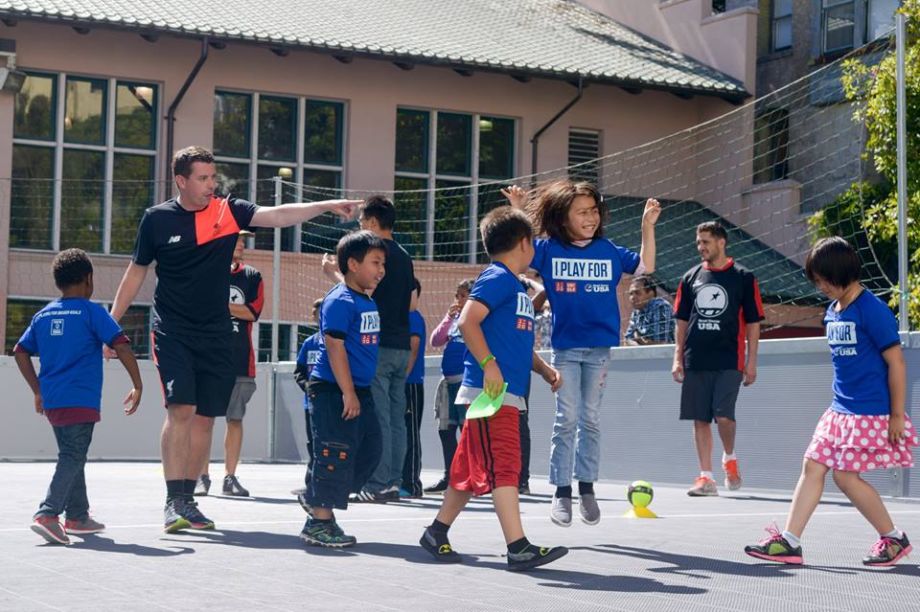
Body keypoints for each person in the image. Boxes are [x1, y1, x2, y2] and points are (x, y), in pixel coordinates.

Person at [108, 146, 359, 533]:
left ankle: (188, 500)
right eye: (203, 178)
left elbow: (278, 215)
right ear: (181, 181)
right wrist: (111, 326)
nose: (211, 185)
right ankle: (173, 501)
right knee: (181, 410)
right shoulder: (156, 220)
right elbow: (136, 272)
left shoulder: (228, 211)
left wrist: (326, 205)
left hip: (217, 334)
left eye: (213, 177)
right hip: (173, 331)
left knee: (205, 418)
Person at [744, 237, 916, 566]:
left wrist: (896, 414)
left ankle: (893, 538)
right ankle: (790, 542)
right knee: (812, 465)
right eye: (817, 281)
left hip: (868, 411)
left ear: (842, 273)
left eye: (825, 280)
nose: (821, 287)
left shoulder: (872, 310)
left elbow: (896, 362)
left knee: (845, 477)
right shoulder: (833, 311)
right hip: (839, 410)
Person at [419, 206, 567, 571]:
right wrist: (489, 364)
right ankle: (518, 547)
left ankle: (436, 532)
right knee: (505, 465)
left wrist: (544, 370)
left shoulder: (515, 287)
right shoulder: (497, 277)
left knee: (468, 471)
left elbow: (515, 343)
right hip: (491, 395)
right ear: (524, 243)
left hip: (505, 392)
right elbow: (467, 322)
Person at [503, 181, 660, 527]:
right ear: (563, 217)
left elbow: (646, 266)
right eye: (582, 212)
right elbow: (519, 249)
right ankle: (562, 492)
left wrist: (647, 226)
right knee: (566, 419)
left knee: (590, 419)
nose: (590, 218)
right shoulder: (549, 250)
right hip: (566, 350)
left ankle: (586, 488)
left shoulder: (608, 250)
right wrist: (518, 208)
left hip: (600, 350)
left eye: (594, 211)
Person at [13, 249, 143, 545]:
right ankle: (48, 513)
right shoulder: (92, 311)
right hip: (81, 399)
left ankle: (77, 516)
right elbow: (122, 345)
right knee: (73, 455)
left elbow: (20, 352)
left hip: (53, 400)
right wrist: (138, 384)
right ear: (89, 279)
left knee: (73, 453)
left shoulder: (43, 314)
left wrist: (37, 390)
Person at [322, 196, 415, 502]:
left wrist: (333, 275)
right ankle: (393, 480)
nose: (379, 268)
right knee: (396, 419)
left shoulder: (374, 254)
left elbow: (359, 292)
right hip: (402, 345)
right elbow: (412, 303)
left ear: (373, 222)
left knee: (379, 419)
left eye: (362, 221)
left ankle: (377, 482)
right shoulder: (404, 256)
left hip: (377, 346)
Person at [301, 230, 386, 547]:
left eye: (383, 264)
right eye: (375, 262)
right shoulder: (339, 300)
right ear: (353, 264)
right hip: (332, 390)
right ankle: (319, 522)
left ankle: (317, 495)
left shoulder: (361, 296)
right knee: (334, 453)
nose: (381, 270)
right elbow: (335, 347)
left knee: (371, 449)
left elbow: (346, 283)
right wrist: (347, 393)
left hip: (359, 389)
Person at [672, 221, 764, 496]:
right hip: (696, 358)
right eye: (698, 242)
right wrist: (677, 357)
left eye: (706, 242)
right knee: (700, 419)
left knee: (723, 417)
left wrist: (751, 361)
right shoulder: (690, 277)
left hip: (730, 359)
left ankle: (729, 457)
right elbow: (681, 321)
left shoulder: (743, 277)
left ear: (721, 242)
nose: (701, 247)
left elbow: (753, 323)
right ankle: (706, 477)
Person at [196, 230, 264, 497]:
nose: (241, 245)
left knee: (234, 419)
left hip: (239, 360)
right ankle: (201, 476)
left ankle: (230, 477)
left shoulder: (252, 276)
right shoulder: (205, 273)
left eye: (243, 241)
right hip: (208, 359)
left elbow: (251, 312)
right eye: (236, 240)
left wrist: (216, 304)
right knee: (204, 420)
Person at [425, 278, 474, 494]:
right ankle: (450, 476)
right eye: (457, 296)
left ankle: (470, 477)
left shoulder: (477, 319)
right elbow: (436, 340)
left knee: (467, 431)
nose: (459, 300)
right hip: (448, 382)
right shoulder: (454, 320)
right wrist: (448, 317)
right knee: (445, 430)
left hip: (466, 382)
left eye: (463, 296)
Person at [293, 297, 324, 504]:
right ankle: (310, 483)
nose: (320, 318)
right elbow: (299, 371)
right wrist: (307, 386)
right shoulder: (309, 343)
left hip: (331, 402)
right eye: (317, 315)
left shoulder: (337, 341)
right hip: (311, 403)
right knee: (312, 443)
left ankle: (329, 484)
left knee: (329, 444)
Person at [401, 279, 426, 498]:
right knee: (400, 432)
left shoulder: (413, 317)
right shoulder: (400, 316)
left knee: (410, 433)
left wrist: (403, 377)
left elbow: (414, 347)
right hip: (400, 384)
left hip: (411, 384)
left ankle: (411, 483)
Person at [624, 274, 675, 345]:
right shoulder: (637, 311)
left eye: (637, 293)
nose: (632, 297)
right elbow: (627, 340)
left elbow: (660, 345)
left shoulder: (660, 306)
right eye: (631, 294)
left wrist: (638, 339)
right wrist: (640, 342)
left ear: (651, 294)